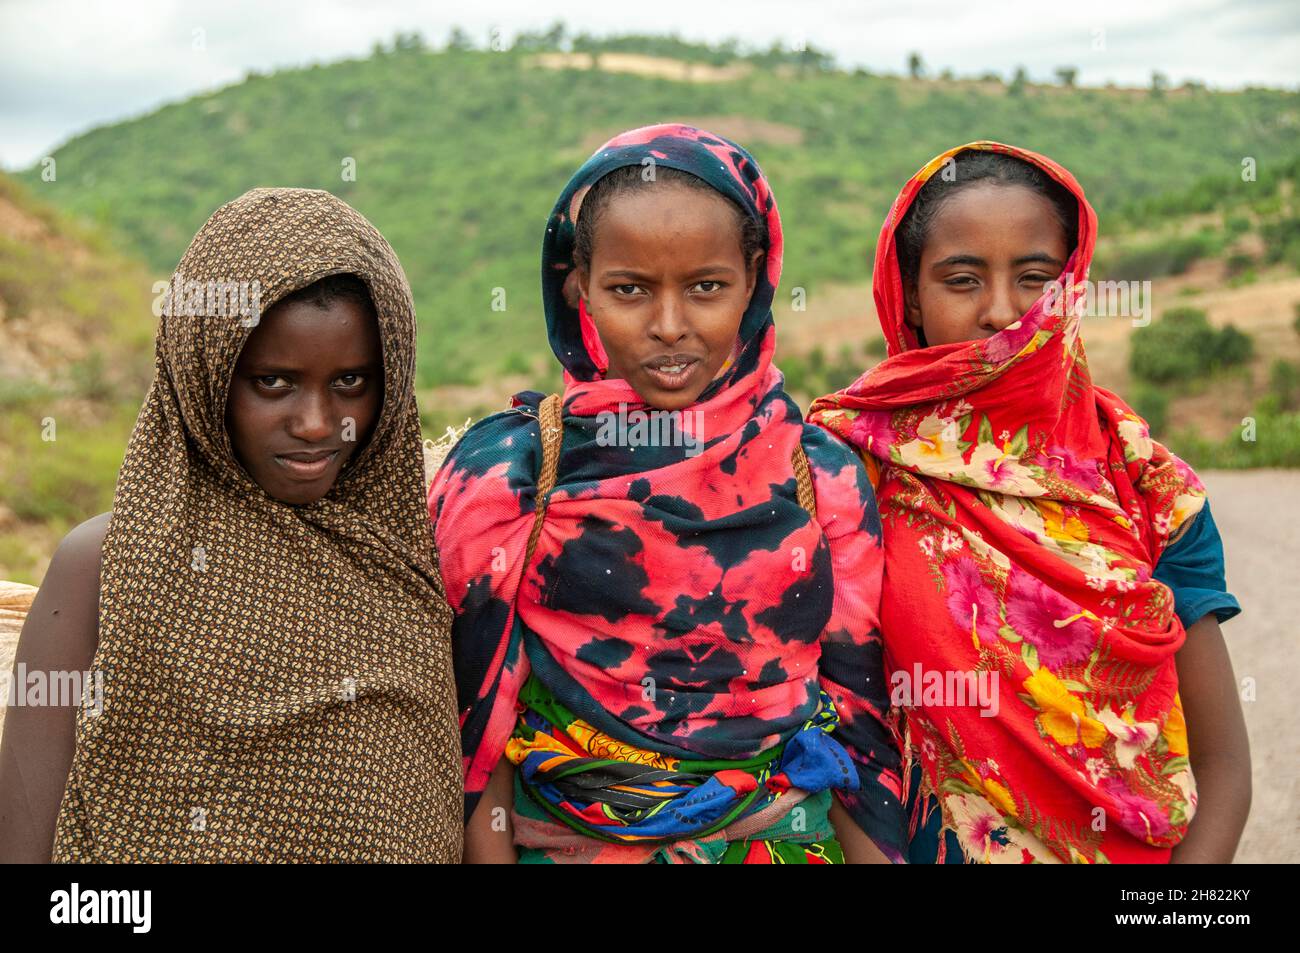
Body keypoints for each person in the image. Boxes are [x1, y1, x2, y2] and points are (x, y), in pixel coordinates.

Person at [430, 124, 906, 864]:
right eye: (629, 290)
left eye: (706, 287)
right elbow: (473, 734)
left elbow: (859, 723)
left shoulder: (821, 473)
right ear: (577, 286)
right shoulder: (512, 472)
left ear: (755, 279)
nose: (669, 325)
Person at [808, 142, 1250, 863]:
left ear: (1072, 285)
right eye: (962, 279)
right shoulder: (846, 469)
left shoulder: (1147, 486)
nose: (1001, 311)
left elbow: (1225, 764)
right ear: (911, 293)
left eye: (1035, 277)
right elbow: (831, 732)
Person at [0, 188, 463, 862]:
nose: (314, 422)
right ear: (205, 374)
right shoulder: (110, 564)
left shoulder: (414, 566)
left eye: (352, 381)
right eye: (273, 382)